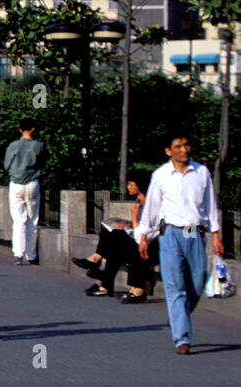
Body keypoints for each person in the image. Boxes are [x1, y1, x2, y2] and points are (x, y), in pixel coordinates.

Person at [136, 129, 224, 355]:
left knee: (196, 283)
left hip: (195, 233)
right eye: (178, 146)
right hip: (170, 234)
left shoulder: (201, 172)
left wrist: (216, 235)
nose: (184, 150)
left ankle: (178, 314)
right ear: (169, 151)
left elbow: (210, 205)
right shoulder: (161, 175)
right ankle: (182, 338)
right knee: (175, 286)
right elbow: (152, 207)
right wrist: (144, 236)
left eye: (186, 145)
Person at [74, 171, 156, 301]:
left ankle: (103, 276)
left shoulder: (152, 204)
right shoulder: (139, 201)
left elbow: (144, 232)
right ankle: (101, 271)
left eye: (131, 184)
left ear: (140, 186)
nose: (128, 187)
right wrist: (129, 223)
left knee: (115, 241)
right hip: (141, 238)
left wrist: (133, 219)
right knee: (112, 236)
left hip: (151, 244)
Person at [4, 118, 46, 265]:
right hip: (33, 182)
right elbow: (42, 162)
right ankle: (31, 255)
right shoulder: (38, 146)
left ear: (20, 130)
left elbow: (6, 165)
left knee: (18, 220)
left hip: (16, 183)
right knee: (32, 220)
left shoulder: (13, 146)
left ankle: (18, 254)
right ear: (33, 129)